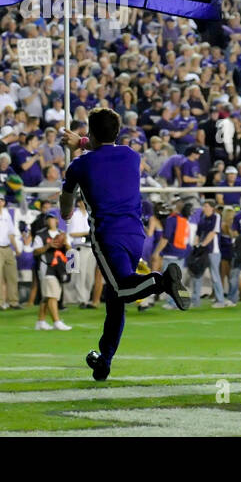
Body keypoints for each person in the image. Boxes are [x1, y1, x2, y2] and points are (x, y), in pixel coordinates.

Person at [60, 108, 188, 383]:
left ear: (91, 133)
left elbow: (67, 207)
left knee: (122, 289)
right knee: (116, 301)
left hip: (108, 235)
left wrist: (71, 171)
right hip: (135, 233)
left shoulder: (79, 166)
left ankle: (161, 282)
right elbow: (99, 148)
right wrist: (80, 143)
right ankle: (104, 361)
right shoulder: (132, 156)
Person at [32, 211, 72, 330]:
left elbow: (70, 251)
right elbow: (35, 251)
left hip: (59, 268)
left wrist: (65, 244)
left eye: (53, 219)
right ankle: (56, 321)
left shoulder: (62, 234)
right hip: (47, 266)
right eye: (48, 219)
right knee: (52, 295)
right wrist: (48, 246)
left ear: (57, 221)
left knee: (47, 296)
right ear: (46, 221)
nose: (50, 221)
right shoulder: (41, 235)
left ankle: (40, 321)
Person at [151, 200, 192, 309]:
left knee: (170, 281)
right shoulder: (185, 220)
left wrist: (156, 252)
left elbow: (165, 238)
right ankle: (182, 301)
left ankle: (172, 303)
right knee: (179, 280)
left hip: (170, 253)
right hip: (181, 252)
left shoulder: (171, 219)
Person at [191, 199, 229, 307]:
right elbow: (198, 234)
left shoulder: (216, 217)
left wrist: (202, 245)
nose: (205, 208)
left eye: (207, 206)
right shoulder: (202, 218)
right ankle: (195, 301)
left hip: (213, 251)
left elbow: (213, 233)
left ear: (212, 208)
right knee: (197, 275)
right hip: (203, 251)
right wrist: (196, 245)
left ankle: (220, 300)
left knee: (215, 276)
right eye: (204, 206)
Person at [65, 197, 96, 308]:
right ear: (79, 203)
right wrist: (86, 233)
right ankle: (81, 299)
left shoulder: (91, 214)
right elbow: (72, 233)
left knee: (89, 276)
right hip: (79, 247)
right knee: (80, 274)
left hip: (91, 247)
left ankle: (86, 298)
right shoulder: (75, 215)